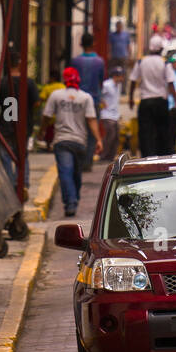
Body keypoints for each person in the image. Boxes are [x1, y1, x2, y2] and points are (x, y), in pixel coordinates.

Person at [42, 66, 102, 216]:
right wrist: (98, 139)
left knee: (66, 172)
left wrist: (42, 131)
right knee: (75, 173)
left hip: (62, 140)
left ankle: (71, 201)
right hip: (80, 141)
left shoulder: (56, 96)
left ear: (64, 79)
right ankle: (72, 201)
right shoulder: (85, 97)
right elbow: (92, 120)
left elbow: (46, 116)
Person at [0, 48, 39, 235]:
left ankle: (10, 183)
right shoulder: (28, 83)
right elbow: (36, 104)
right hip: (23, 127)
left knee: (5, 156)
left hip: (5, 126)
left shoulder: (2, 83)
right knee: (23, 157)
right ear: (19, 63)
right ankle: (24, 184)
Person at [129, 34, 175, 157]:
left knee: (145, 132)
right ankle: (162, 156)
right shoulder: (165, 63)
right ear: (161, 49)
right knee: (163, 131)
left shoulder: (141, 61)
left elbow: (133, 80)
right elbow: (171, 83)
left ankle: (147, 156)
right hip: (160, 101)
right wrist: (174, 101)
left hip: (145, 101)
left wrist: (131, 98)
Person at [70, 32, 105, 171]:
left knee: (78, 128)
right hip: (94, 99)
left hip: (77, 99)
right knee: (92, 132)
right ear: (93, 44)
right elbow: (101, 80)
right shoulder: (99, 61)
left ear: (81, 45)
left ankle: (78, 159)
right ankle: (87, 161)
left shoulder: (75, 61)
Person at [98, 66, 123, 162]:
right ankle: (103, 155)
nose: (122, 78)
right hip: (107, 114)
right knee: (110, 134)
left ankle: (110, 157)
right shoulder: (107, 85)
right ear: (115, 76)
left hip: (115, 115)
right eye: (121, 76)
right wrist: (102, 102)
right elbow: (99, 94)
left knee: (116, 136)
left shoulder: (118, 86)